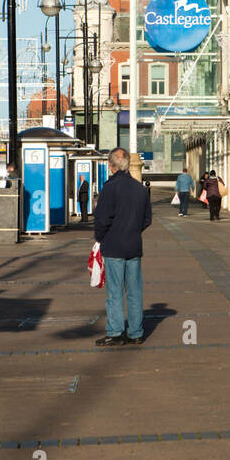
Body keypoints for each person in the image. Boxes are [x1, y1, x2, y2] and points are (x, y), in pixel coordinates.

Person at [93, 147, 153, 346]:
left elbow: (102, 219)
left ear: (111, 166)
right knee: (135, 292)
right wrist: (133, 231)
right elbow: (147, 219)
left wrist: (100, 238)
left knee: (115, 292)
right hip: (133, 246)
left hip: (113, 246)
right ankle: (136, 332)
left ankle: (116, 332)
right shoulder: (140, 189)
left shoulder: (109, 188)